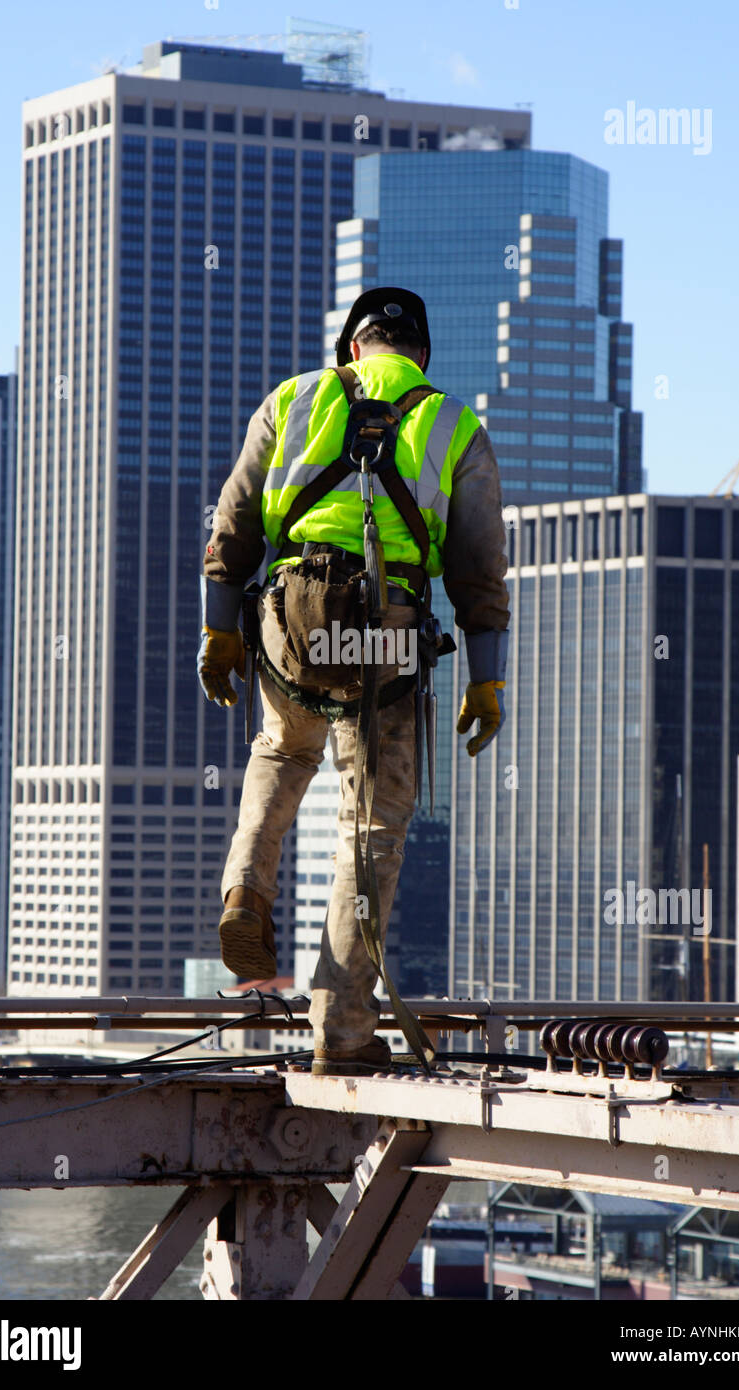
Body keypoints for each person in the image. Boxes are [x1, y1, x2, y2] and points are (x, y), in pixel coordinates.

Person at [198, 287, 509, 1075]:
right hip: (388, 629)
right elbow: (478, 569)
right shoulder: (455, 424)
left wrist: (220, 628)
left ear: (351, 350)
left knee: (280, 751)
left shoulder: (295, 396)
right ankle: (340, 1033)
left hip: (294, 615)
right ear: (421, 358)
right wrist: (486, 680)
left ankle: (246, 891)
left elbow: (232, 522)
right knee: (370, 829)